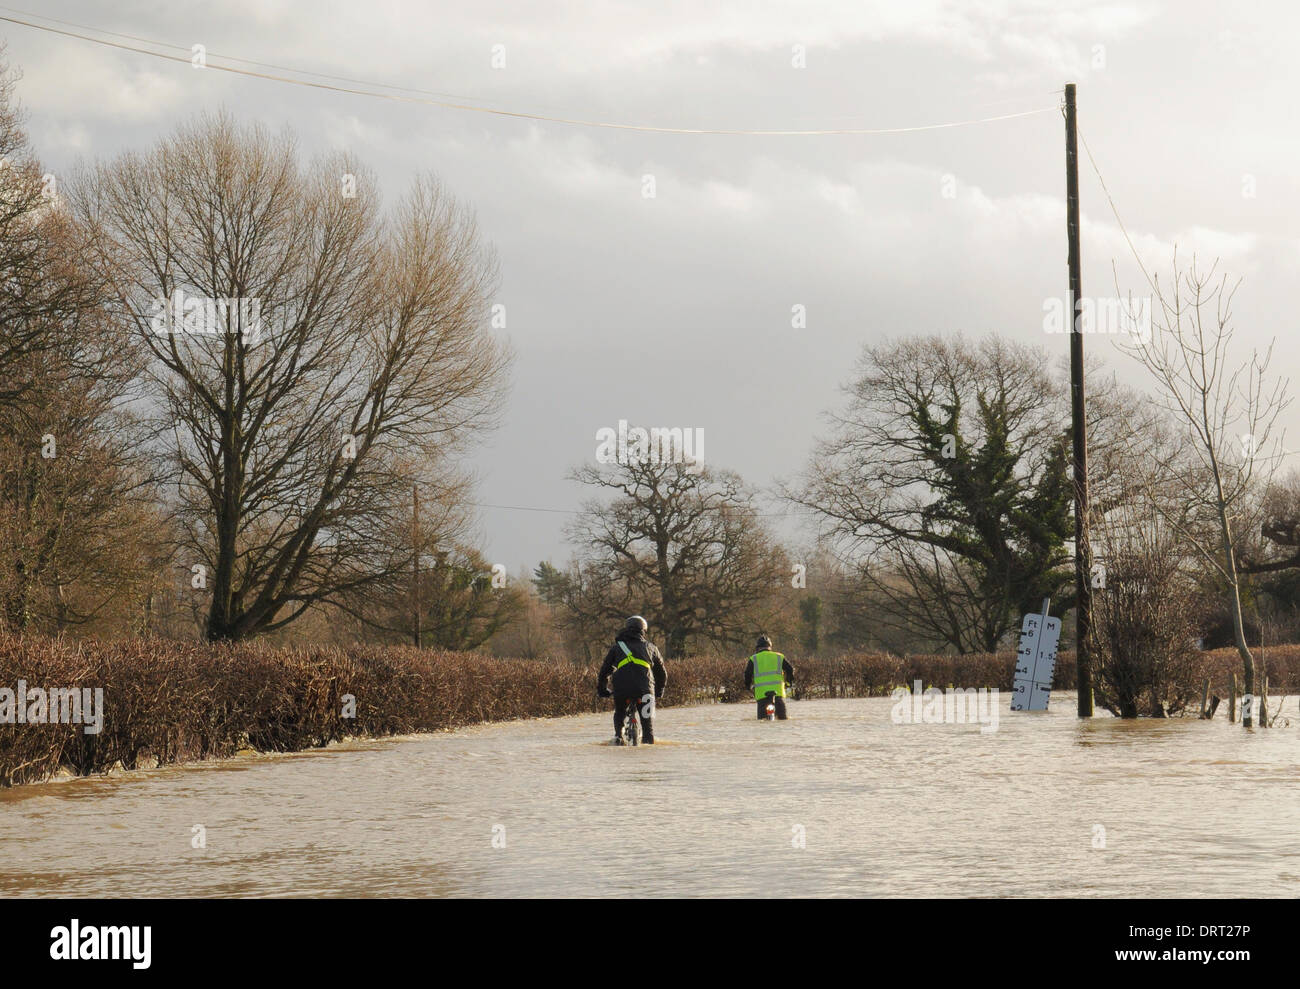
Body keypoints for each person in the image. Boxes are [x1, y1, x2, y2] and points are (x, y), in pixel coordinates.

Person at [597, 615, 667, 744]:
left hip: (622, 690)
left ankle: (618, 736)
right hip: (646, 690)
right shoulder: (651, 647)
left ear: (626, 629)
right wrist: (659, 691)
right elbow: (662, 673)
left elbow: (604, 671)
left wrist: (602, 689)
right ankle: (647, 740)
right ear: (644, 631)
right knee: (648, 727)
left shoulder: (617, 647)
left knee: (619, 713)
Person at [745, 634, 794, 720]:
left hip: (762, 697)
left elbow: (747, 675)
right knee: (782, 720)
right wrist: (788, 682)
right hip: (778, 695)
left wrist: (748, 686)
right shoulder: (779, 657)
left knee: (762, 720)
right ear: (770, 646)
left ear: (757, 648)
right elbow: (790, 669)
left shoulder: (753, 659)